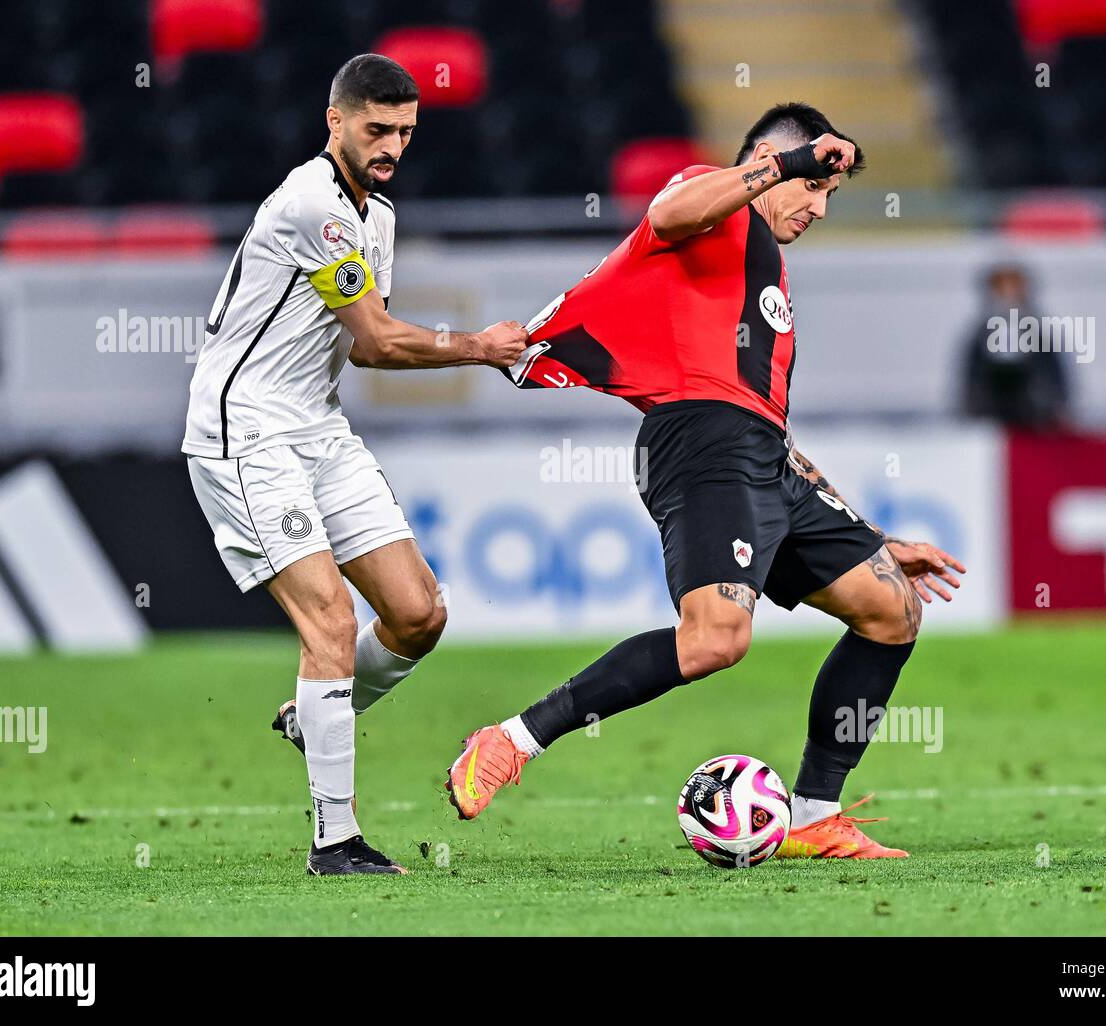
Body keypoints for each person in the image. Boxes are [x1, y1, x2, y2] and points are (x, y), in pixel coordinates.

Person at [446, 103, 966, 859]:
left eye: (828, 195)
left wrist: (876, 539)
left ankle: (814, 813)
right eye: (813, 187)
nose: (818, 207)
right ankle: (511, 739)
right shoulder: (718, 205)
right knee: (716, 640)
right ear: (768, 161)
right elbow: (668, 206)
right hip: (700, 441)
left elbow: (774, 436)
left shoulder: (767, 283)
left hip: (759, 456)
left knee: (890, 607)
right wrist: (782, 166)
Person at [181, 54, 528, 875]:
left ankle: (316, 712)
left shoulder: (380, 218)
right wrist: (477, 346)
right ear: (333, 120)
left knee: (418, 615)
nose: (392, 146)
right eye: (377, 128)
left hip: (318, 427)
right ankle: (334, 841)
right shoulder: (312, 205)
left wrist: (460, 348)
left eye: (406, 131)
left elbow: (362, 353)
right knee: (331, 624)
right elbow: (375, 337)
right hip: (248, 430)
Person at [960, 262, 1070, 429]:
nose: (1008, 296)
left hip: (1035, 422)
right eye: (1002, 290)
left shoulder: (1038, 334)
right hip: (990, 425)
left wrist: (1048, 409)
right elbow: (972, 386)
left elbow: (1053, 382)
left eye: (1014, 289)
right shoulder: (981, 335)